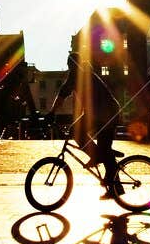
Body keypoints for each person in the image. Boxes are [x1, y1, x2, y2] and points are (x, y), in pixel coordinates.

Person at [52, 37, 122, 197]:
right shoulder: (84, 73)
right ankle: (116, 189)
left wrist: (51, 113)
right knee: (104, 151)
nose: (70, 68)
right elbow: (64, 94)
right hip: (105, 113)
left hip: (104, 113)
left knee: (76, 131)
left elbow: (61, 95)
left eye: (70, 65)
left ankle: (98, 157)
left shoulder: (78, 75)